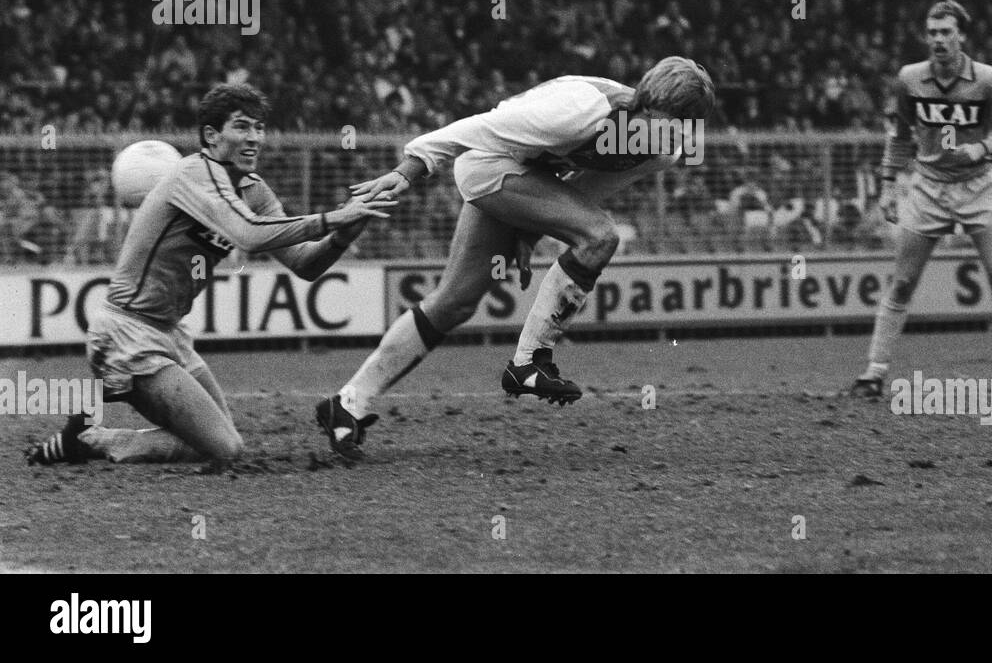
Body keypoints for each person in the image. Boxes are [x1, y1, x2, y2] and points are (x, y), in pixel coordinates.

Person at [316, 58, 715, 460]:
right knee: (602, 236)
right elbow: (479, 129)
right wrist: (409, 169)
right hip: (488, 161)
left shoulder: (660, 149)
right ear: (646, 104)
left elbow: (586, 190)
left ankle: (347, 402)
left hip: (524, 176)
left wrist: (528, 228)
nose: (673, 136)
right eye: (668, 122)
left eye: (684, 126)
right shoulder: (583, 109)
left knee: (453, 303)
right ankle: (529, 362)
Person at [25, 84, 395, 467]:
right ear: (211, 136)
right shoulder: (192, 173)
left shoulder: (254, 192)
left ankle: (88, 436)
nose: (254, 137)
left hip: (172, 334)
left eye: (259, 128)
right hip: (127, 333)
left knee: (214, 443)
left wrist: (345, 233)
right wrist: (332, 218)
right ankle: (99, 425)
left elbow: (304, 265)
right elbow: (248, 234)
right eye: (242, 127)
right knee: (227, 450)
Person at [849, 0, 992, 398]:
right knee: (902, 282)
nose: (938, 39)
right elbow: (899, 136)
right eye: (932, 32)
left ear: (962, 36)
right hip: (927, 187)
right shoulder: (909, 79)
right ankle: (873, 372)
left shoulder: (988, 80)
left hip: (978, 186)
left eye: (945, 32)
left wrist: (981, 147)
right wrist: (887, 185)